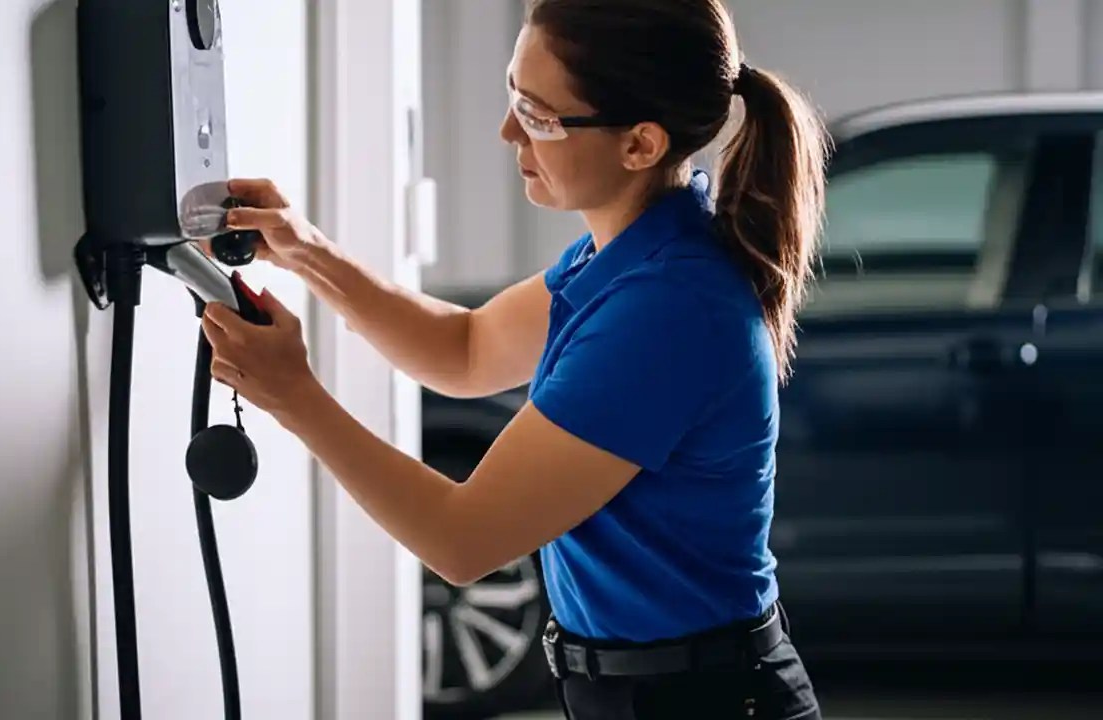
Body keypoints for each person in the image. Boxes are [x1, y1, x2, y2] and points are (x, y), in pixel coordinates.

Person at [198, 0, 829, 716]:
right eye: (512, 96)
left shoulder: (668, 309)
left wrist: (294, 397)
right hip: (645, 690)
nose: (507, 133)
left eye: (537, 116)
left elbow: (463, 540)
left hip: (699, 699)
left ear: (641, 145)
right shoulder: (631, 255)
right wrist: (307, 252)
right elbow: (465, 351)